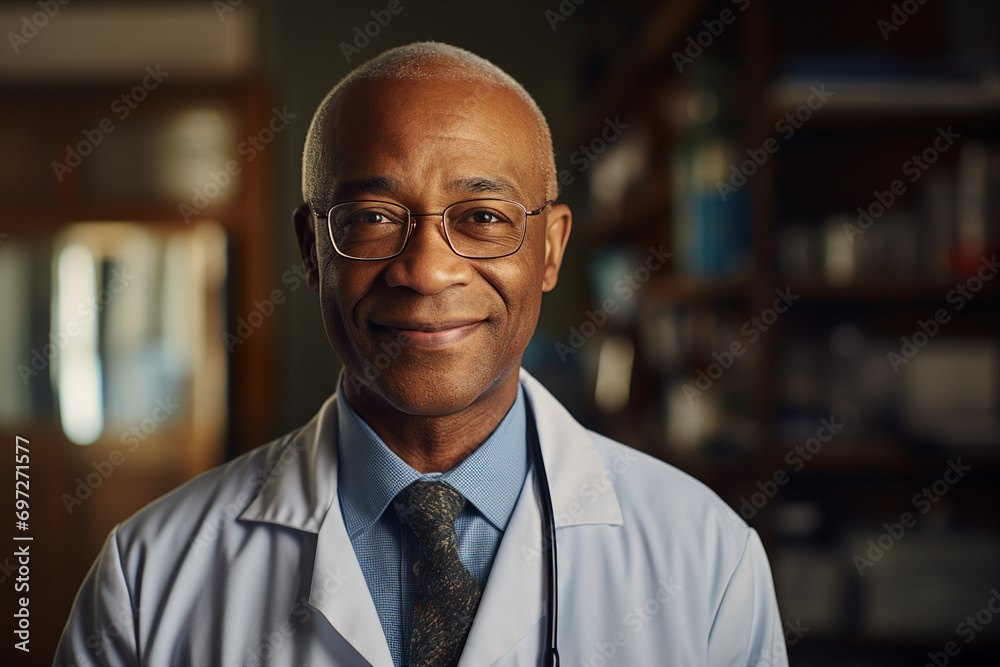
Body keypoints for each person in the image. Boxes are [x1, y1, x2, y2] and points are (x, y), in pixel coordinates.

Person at [55, 42, 788, 667]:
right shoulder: (147, 579)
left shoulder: (707, 561)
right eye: (373, 217)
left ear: (551, 249)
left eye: (483, 217)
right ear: (312, 251)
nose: (428, 270)